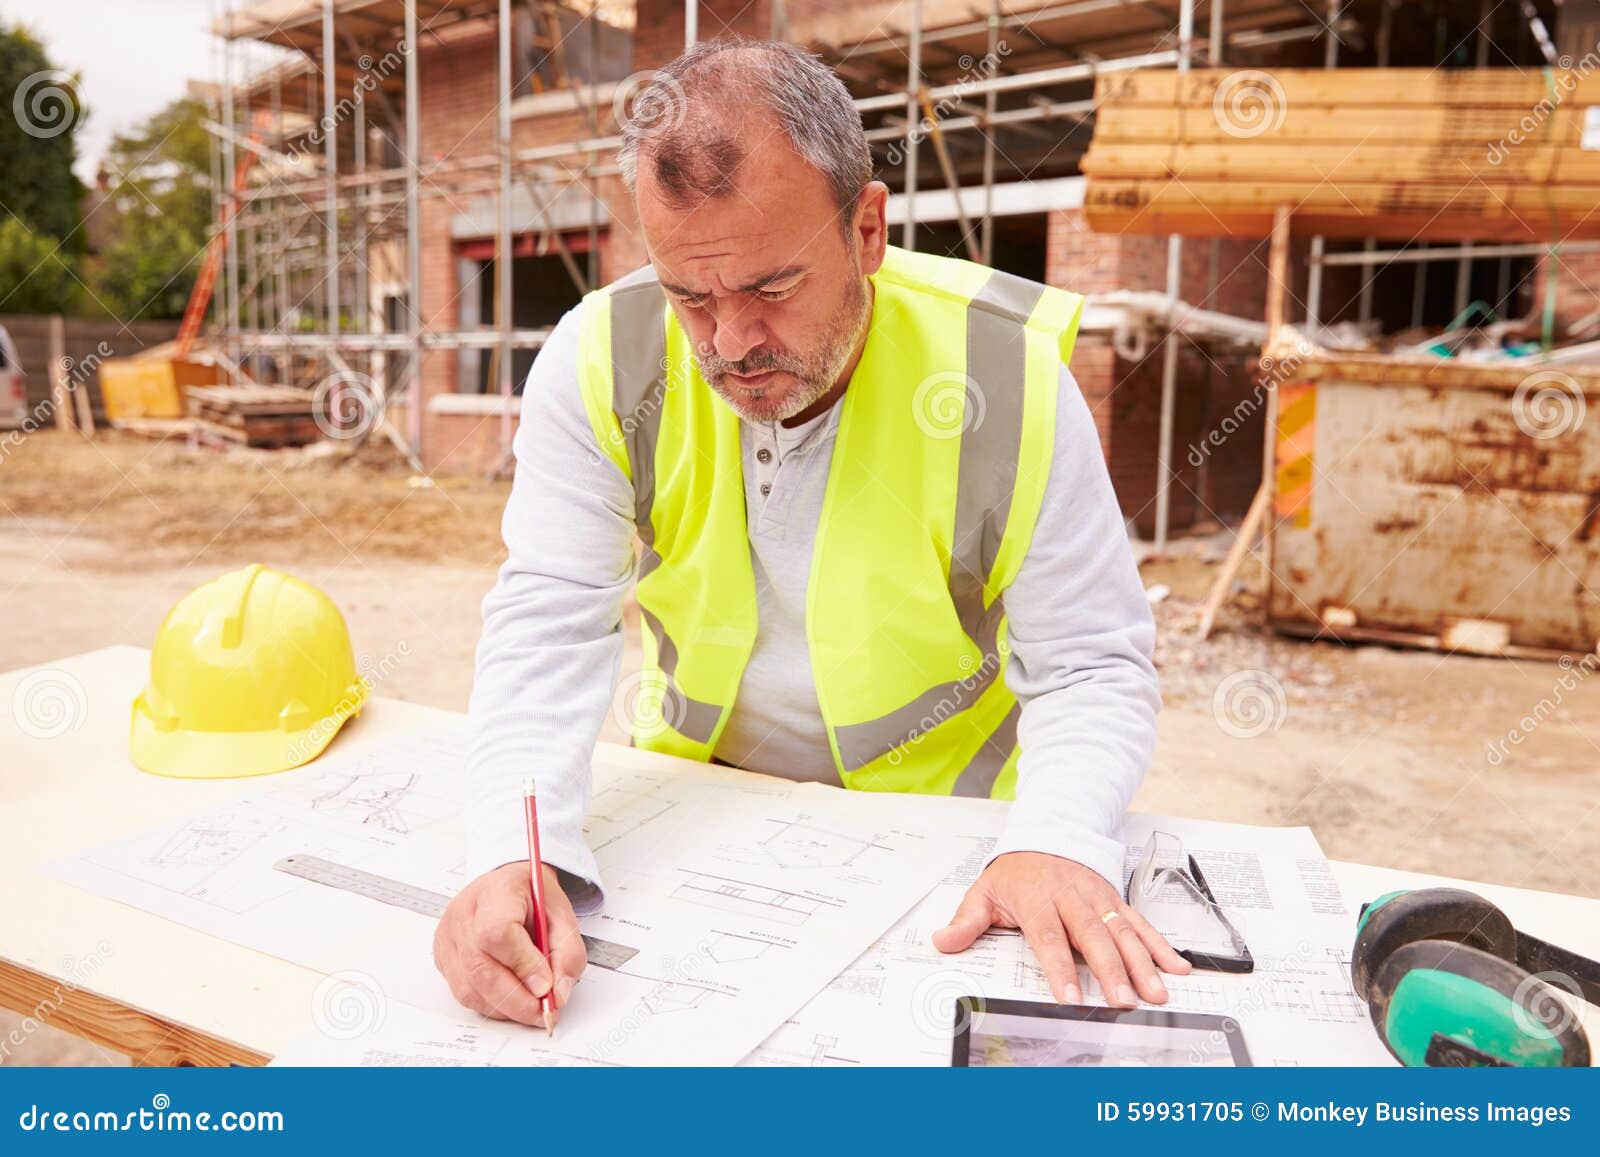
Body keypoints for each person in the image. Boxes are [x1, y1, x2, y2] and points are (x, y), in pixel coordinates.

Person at [433, 36, 1189, 1032]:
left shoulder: (1004, 379)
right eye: (690, 296)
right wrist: (511, 846)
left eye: (772, 288)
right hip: (699, 816)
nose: (729, 343)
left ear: (867, 229)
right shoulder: (602, 360)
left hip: (948, 842)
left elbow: (1090, 660)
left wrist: (1057, 836)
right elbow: (549, 618)